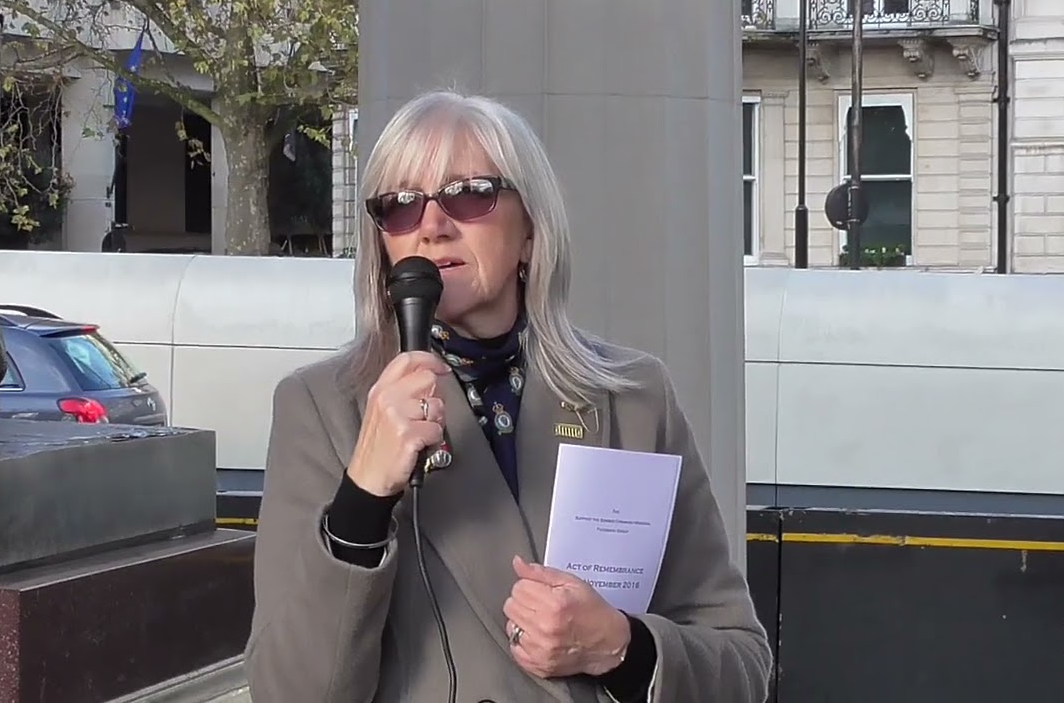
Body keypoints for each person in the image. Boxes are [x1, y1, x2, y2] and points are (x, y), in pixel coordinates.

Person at [244, 89, 772, 702]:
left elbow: (741, 666)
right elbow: (288, 692)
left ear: (530, 229)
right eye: (401, 207)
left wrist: (621, 648)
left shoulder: (634, 398)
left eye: (469, 195)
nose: (434, 227)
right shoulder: (322, 407)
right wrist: (362, 500)